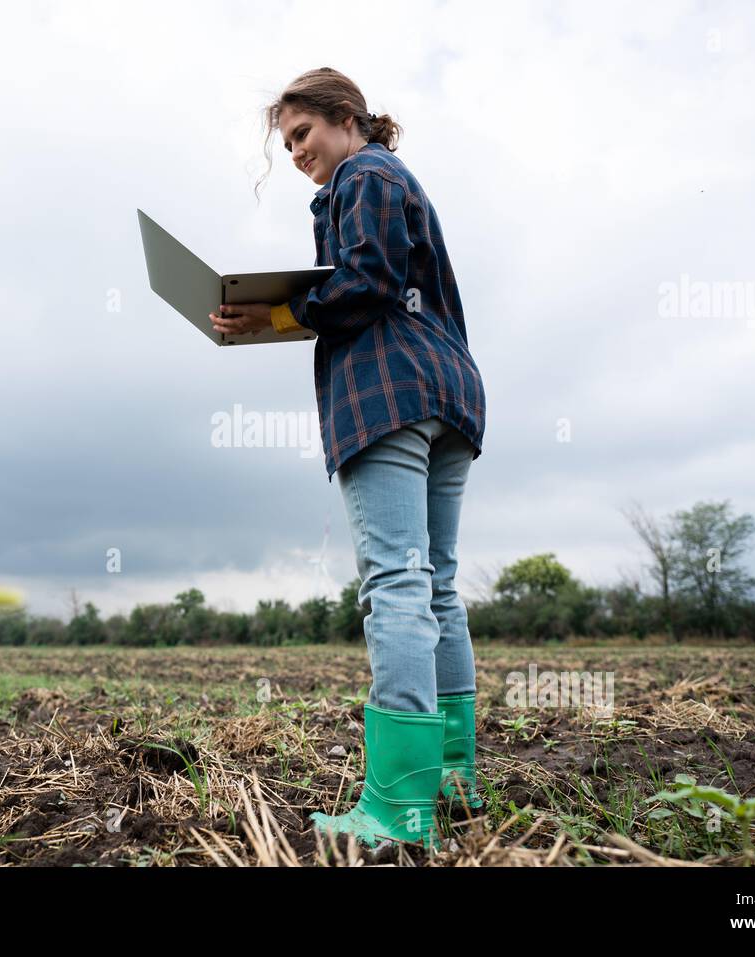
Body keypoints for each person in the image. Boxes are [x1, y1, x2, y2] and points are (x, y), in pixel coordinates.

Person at [210, 67, 487, 853]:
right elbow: (382, 283)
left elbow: (363, 281)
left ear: (345, 118)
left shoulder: (362, 174)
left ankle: (399, 808)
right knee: (434, 583)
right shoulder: (392, 179)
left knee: (396, 583)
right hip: (452, 392)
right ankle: (455, 779)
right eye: (287, 142)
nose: (296, 151)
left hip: (388, 395)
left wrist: (274, 312)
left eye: (302, 134)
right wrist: (276, 314)